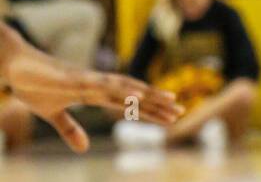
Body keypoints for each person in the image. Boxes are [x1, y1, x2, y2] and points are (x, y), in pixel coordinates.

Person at [119, 0, 259, 146]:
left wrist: (213, 98)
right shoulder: (161, 18)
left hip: (211, 103)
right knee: (122, 100)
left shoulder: (227, 15)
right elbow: (136, 71)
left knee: (244, 92)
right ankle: (192, 132)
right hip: (172, 101)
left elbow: (249, 71)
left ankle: (170, 137)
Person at [0, 19, 178, 153]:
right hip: (43, 115)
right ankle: (173, 133)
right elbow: (138, 68)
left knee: (130, 102)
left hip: (193, 102)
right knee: (127, 106)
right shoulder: (160, 21)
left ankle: (172, 129)